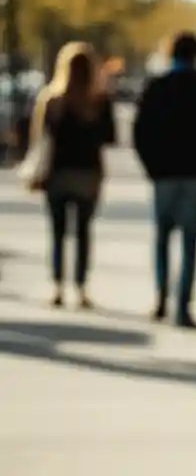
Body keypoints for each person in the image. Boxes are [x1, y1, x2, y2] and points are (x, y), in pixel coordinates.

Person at [133, 33, 196, 327]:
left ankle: (161, 298)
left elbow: (139, 132)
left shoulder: (156, 88)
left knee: (162, 238)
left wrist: (151, 167)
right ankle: (183, 307)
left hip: (163, 174)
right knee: (190, 242)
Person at [29, 43, 117, 308]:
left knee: (57, 233)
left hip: (57, 174)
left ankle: (57, 286)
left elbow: (40, 139)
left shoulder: (51, 99)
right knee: (82, 233)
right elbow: (110, 137)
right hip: (88, 173)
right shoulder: (99, 101)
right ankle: (81, 288)